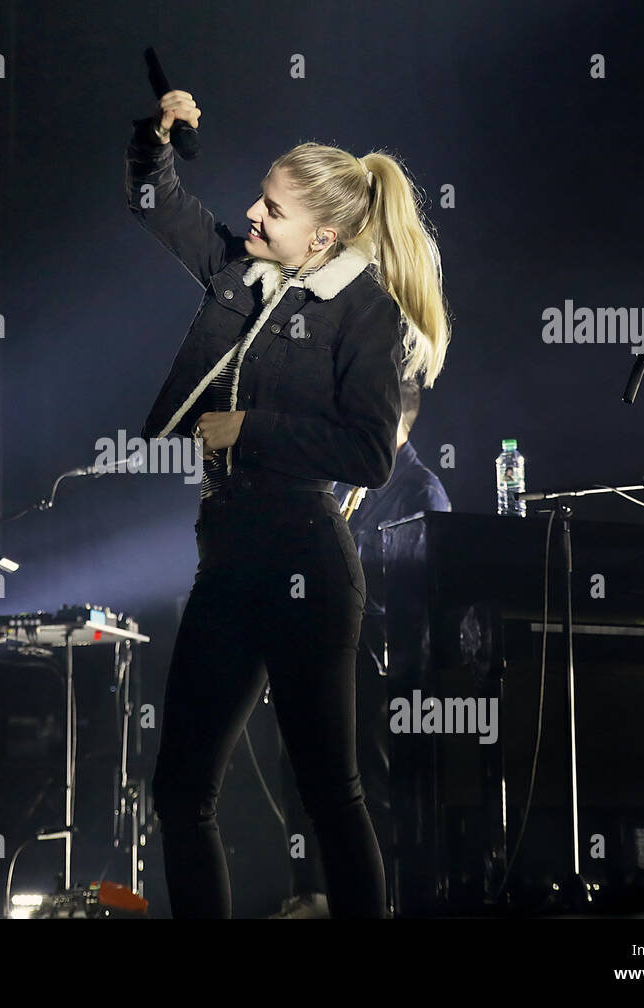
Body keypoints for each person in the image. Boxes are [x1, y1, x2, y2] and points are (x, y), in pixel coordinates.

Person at [127, 89, 450, 918]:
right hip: (228, 563)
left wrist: (249, 429)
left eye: (270, 208)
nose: (251, 215)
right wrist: (157, 139)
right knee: (179, 789)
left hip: (307, 559)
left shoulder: (369, 314)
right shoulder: (244, 272)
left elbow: (371, 453)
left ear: (324, 235)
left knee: (329, 793)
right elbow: (161, 207)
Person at [274, 378, 452, 918]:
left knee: (366, 790)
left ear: (394, 419)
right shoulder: (351, 482)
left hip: (378, 667)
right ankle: (317, 895)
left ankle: (379, 902)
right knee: (304, 779)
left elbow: (424, 596)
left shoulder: (421, 491)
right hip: (327, 654)